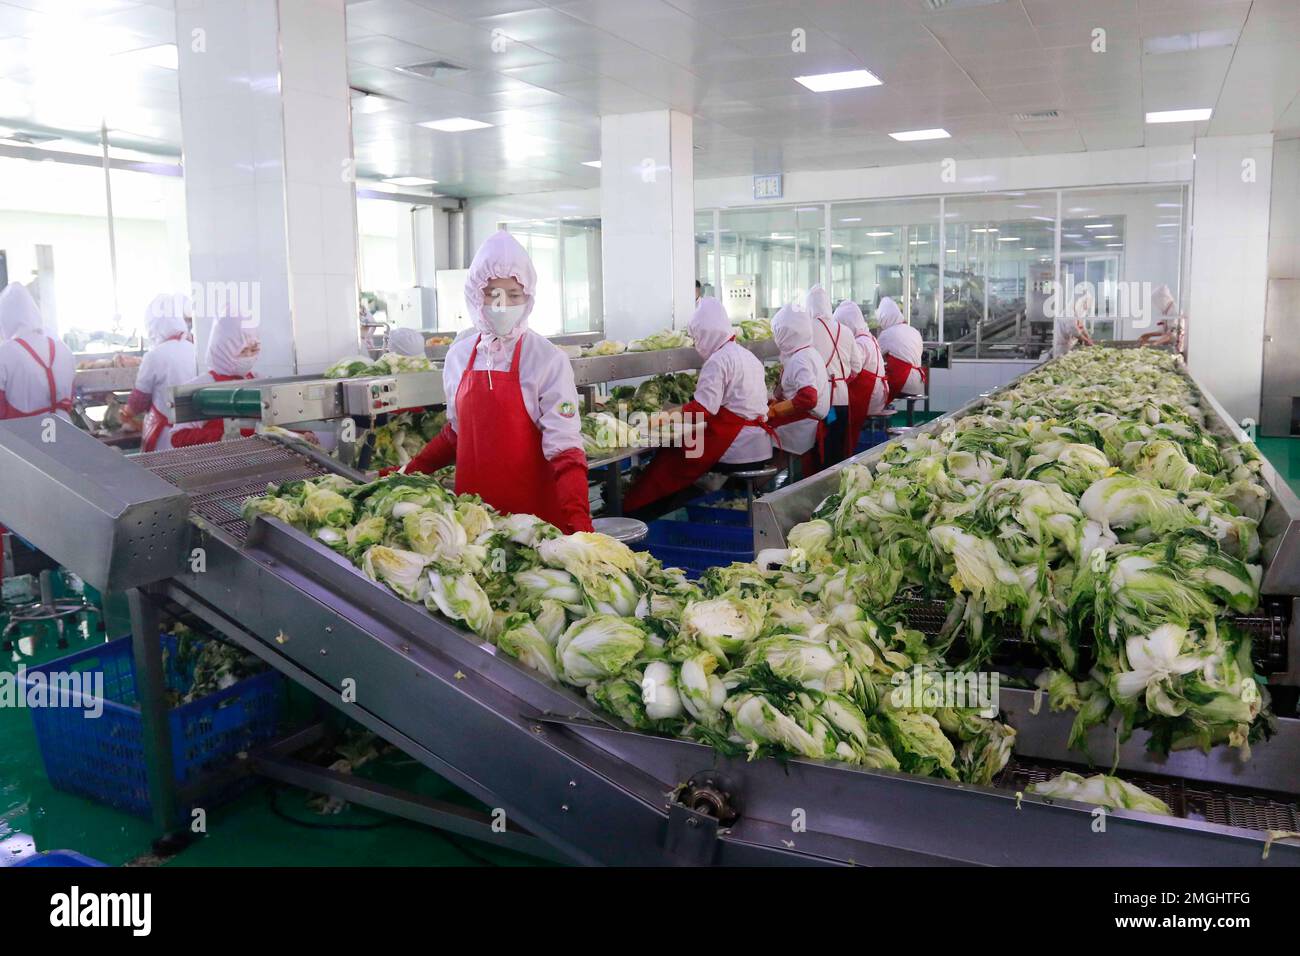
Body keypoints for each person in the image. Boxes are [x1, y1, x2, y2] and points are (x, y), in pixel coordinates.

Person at [402, 230, 593, 534]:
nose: (503, 304)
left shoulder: (545, 359)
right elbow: (456, 433)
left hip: (535, 525)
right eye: (493, 294)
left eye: (513, 295)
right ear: (476, 296)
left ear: (528, 297)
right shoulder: (460, 356)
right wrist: (408, 471)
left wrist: (578, 523)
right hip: (475, 525)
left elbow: (566, 450)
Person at [623, 296, 773, 517]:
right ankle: (679, 505)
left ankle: (639, 514)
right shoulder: (746, 355)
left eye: (696, 337)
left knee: (668, 461)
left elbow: (701, 411)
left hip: (734, 443)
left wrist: (661, 418)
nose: (695, 343)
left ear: (707, 333)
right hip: (758, 442)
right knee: (679, 452)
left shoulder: (718, 361)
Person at [169, 311, 262, 448]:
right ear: (223, 349)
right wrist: (220, 437)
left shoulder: (259, 380)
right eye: (242, 351)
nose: (248, 356)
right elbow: (178, 437)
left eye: (253, 350)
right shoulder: (199, 387)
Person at [123, 294, 197, 451]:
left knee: (164, 473)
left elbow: (139, 401)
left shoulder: (155, 355)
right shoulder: (195, 349)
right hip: (193, 432)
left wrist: (125, 413)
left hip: (165, 436)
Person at [766, 303, 830, 480]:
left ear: (786, 334)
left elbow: (808, 398)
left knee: (758, 435)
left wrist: (775, 410)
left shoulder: (800, 359)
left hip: (804, 423)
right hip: (811, 420)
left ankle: (754, 485)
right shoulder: (808, 352)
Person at [0, 282, 74, 421]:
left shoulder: (4, 353)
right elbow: (71, 396)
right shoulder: (64, 349)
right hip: (64, 430)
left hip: (23, 435)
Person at [806, 285, 858, 466]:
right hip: (841, 397)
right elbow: (856, 367)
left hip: (817, 397)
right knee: (836, 446)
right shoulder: (845, 330)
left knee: (814, 447)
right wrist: (841, 379)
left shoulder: (807, 329)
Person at [835, 299, 888, 458]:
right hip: (878, 393)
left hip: (868, 398)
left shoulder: (860, 343)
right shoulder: (868, 337)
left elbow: (851, 369)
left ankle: (839, 453)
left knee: (833, 413)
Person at [877, 296, 927, 401]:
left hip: (902, 382)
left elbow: (875, 356)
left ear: (885, 318)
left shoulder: (887, 333)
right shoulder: (914, 331)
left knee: (874, 390)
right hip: (918, 382)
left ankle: (878, 412)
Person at [1051, 289, 1094, 359]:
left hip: (1069, 345)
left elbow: (1081, 326)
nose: (1086, 307)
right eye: (1085, 303)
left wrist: (1088, 337)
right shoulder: (1069, 312)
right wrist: (1086, 341)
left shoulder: (1077, 312)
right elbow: (1074, 331)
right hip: (1061, 347)